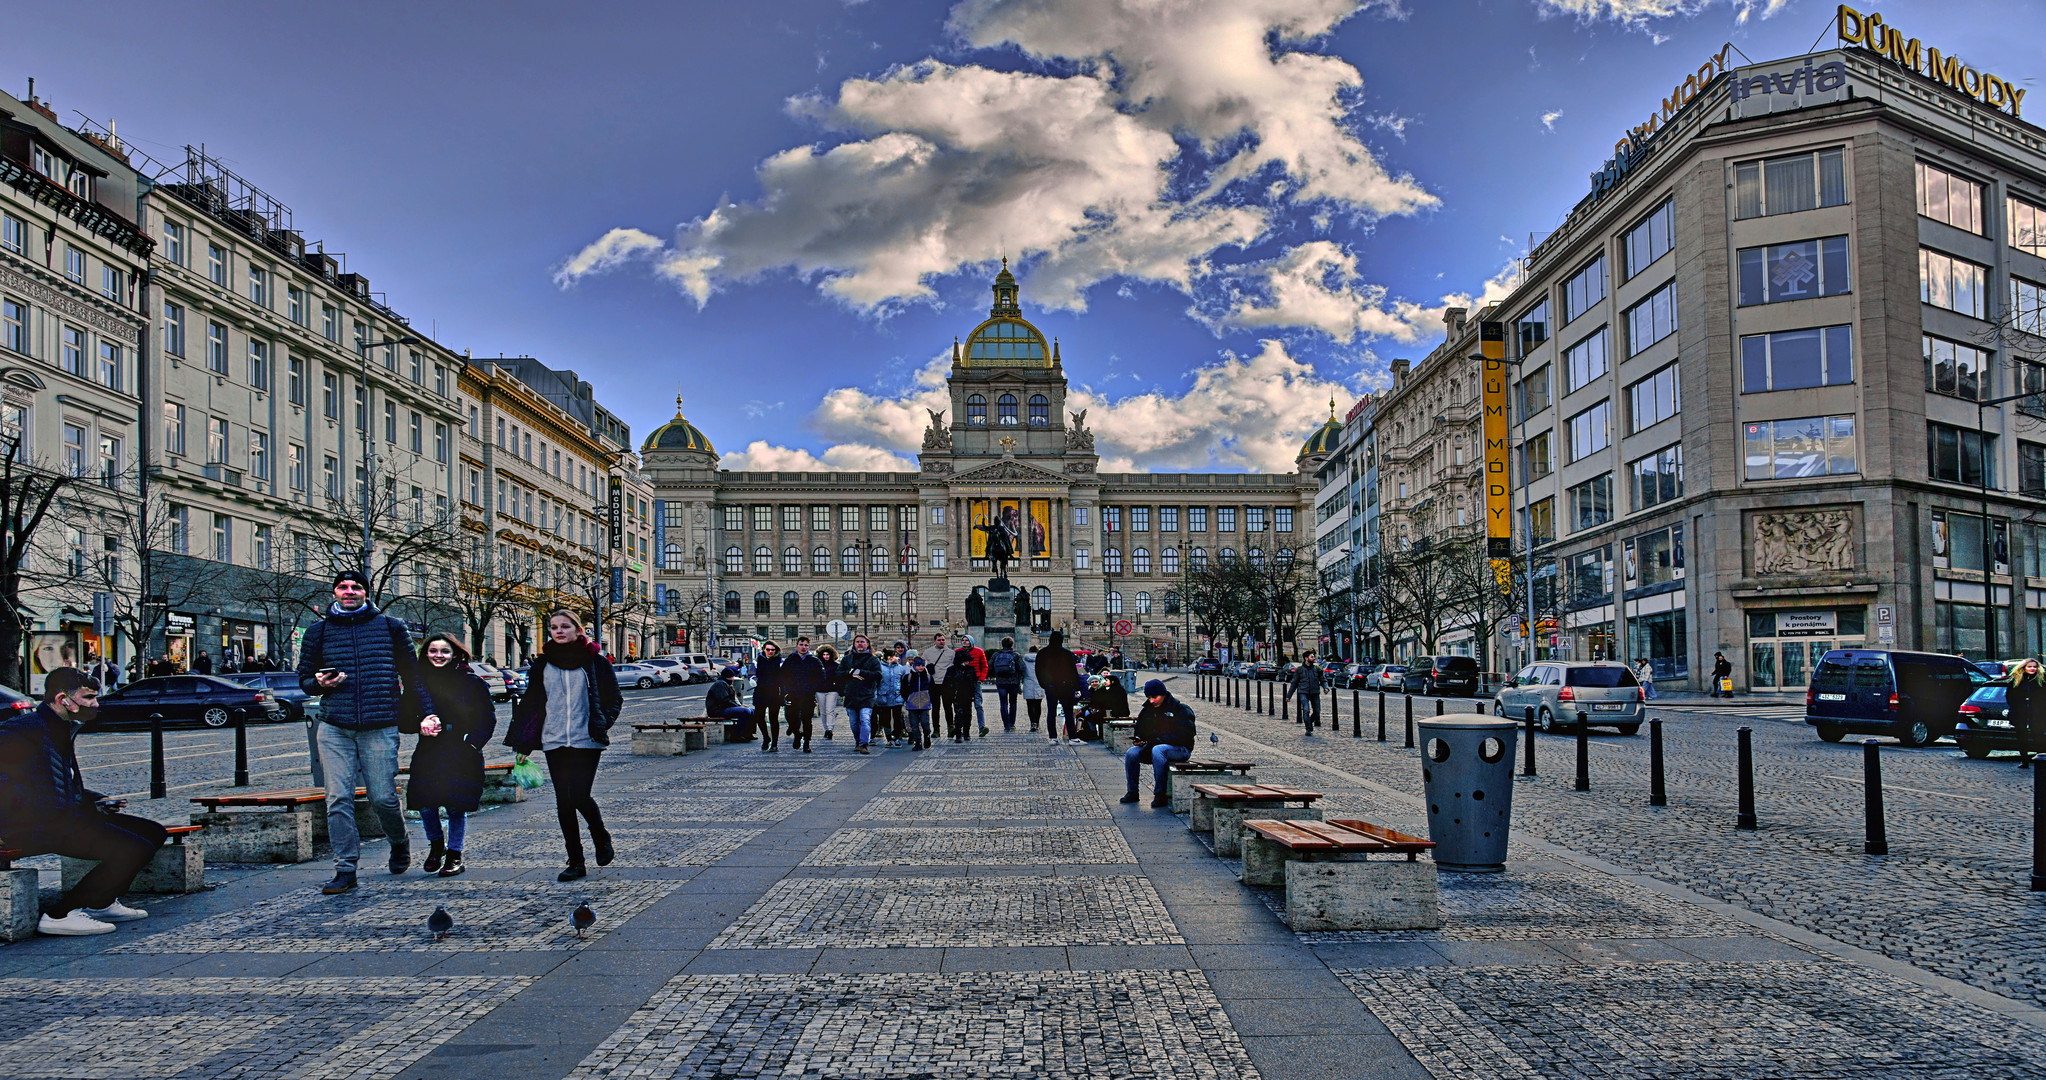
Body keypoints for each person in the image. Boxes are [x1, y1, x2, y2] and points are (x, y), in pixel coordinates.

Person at [0, 668, 168, 935]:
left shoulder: (64, 727)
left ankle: (100, 903)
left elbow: (58, 781)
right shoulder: (22, 730)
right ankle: (60, 914)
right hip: (28, 826)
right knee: (132, 848)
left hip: (62, 817)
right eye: (88, 698)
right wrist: (39, 810)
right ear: (63, 699)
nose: (95, 704)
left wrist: (95, 800)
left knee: (154, 832)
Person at [297, 569, 416, 895]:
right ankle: (345, 869)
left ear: (366, 592)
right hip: (334, 726)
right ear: (335, 592)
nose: (349, 591)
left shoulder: (392, 628)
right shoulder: (317, 632)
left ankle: (399, 841)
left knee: (383, 798)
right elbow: (304, 679)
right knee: (337, 799)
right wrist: (319, 684)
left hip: (379, 727)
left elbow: (414, 675)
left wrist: (424, 713)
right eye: (342, 587)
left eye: (355, 587)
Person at [507, 610, 622, 882]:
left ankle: (600, 835)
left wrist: (602, 722)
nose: (558, 631)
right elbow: (532, 706)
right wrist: (524, 744)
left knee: (580, 795)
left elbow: (614, 698)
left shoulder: (595, 661)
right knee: (563, 802)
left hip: (587, 740)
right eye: (554, 627)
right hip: (554, 740)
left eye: (565, 626)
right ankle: (576, 860)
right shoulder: (543, 664)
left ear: (578, 630)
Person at [402, 634, 495, 878]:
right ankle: (436, 846)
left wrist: (472, 743)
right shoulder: (418, 683)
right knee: (425, 802)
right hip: (429, 749)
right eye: (433, 651)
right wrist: (418, 723)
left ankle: (455, 854)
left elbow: (487, 717)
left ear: (455, 653)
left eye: (444, 651)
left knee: (456, 804)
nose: (438, 656)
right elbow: (403, 717)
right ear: (426, 653)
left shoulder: (470, 682)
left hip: (460, 750)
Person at [1122, 679, 1196, 808]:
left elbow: (1185, 735)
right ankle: (1132, 792)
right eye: (1149, 697)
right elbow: (1140, 727)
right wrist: (1140, 738)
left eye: (1155, 697)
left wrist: (1158, 740)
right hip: (1153, 745)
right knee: (1131, 753)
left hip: (1180, 748)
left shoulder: (1180, 709)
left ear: (1163, 694)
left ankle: (1160, 794)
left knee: (1158, 750)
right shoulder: (1148, 709)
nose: (1152, 701)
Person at [780, 637, 826, 753]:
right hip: (793, 694)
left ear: (809, 647)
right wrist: (787, 690)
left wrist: (812, 689)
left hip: (807, 694)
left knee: (807, 720)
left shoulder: (814, 661)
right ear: (797, 646)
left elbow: (821, 677)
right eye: (801, 644)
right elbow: (783, 676)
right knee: (791, 717)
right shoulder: (790, 660)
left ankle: (807, 742)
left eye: (806, 645)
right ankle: (797, 734)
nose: (803, 647)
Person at [1037, 630, 1083, 744]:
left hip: (1050, 686)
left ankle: (1053, 737)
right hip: (1065, 686)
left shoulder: (1042, 653)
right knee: (1068, 712)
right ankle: (1073, 737)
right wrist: (1077, 687)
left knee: (1051, 712)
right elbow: (1073, 671)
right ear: (1061, 640)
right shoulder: (1067, 653)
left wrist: (1043, 683)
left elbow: (1038, 670)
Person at [838, 635, 882, 754]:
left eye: (862, 642)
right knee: (853, 722)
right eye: (857, 642)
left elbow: (878, 675)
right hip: (851, 694)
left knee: (865, 719)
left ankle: (864, 744)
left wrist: (860, 672)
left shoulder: (873, 660)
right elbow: (838, 673)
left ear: (868, 644)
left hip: (866, 695)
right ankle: (858, 741)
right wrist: (850, 672)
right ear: (854, 644)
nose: (860, 644)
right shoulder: (847, 659)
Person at [2009, 659, 2045, 769]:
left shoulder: (2042, 680)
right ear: (2024, 667)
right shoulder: (2016, 680)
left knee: (2038, 735)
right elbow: (2010, 696)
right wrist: (2015, 708)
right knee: (2021, 737)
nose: (2032, 668)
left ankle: (2041, 760)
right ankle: (2024, 761)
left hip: (2038, 712)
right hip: (2020, 712)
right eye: (2029, 666)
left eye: (2034, 666)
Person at [706, 667, 756, 741]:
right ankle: (738, 735)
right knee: (745, 712)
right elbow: (724, 700)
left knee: (753, 711)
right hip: (718, 710)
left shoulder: (724, 683)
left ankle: (748, 733)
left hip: (723, 708)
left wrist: (739, 706)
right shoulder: (720, 684)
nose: (732, 680)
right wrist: (738, 706)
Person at [944, 644, 981, 742]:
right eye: (966, 661)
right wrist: (952, 693)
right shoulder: (952, 670)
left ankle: (966, 733)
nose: (967, 663)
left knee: (968, 715)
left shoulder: (970, 669)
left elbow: (974, 682)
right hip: (957, 696)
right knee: (959, 715)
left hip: (968, 696)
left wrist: (972, 693)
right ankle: (958, 734)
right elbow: (947, 683)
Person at [921, 634, 955, 736]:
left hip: (946, 683)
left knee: (948, 706)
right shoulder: (927, 652)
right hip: (934, 683)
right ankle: (936, 730)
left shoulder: (951, 653)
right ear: (935, 641)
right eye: (939, 640)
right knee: (935, 707)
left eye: (943, 640)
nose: (942, 642)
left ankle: (950, 728)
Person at [989, 636, 1025, 731]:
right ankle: (1012, 723)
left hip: (1001, 682)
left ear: (1002, 645)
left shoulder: (996, 655)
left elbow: (989, 668)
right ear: (1012, 645)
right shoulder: (1016, 655)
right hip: (1013, 682)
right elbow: (1022, 669)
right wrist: (1020, 678)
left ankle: (1006, 725)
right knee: (1013, 703)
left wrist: (996, 674)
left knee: (1003, 704)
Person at [753, 641, 784, 752]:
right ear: (763, 649)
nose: (770, 652)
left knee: (773, 718)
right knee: (759, 716)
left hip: (774, 692)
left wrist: (783, 690)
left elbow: (784, 677)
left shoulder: (780, 661)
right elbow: (751, 673)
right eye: (768, 649)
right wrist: (753, 679)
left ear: (776, 650)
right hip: (760, 691)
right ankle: (766, 737)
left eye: (772, 650)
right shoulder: (757, 660)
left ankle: (774, 743)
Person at [875, 647, 908, 748]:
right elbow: (876, 683)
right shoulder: (880, 668)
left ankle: (897, 737)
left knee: (897, 718)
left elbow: (904, 684)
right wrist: (876, 696)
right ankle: (889, 738)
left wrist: (903, 696)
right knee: (886, 719)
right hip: (883, 697)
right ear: (889, 657)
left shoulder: (900, 668)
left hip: (897, 697)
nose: (898, 658)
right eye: (896, 656)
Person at [901, 656, 935, 750]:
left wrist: (930, 699)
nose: (921, 667)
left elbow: (932, 689)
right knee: (914, 725)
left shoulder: (928, 676)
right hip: (912, 704)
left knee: (925, 723)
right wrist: (907, 698)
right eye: (918, 665)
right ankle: (918, 742)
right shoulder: (908, 677)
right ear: (914, 666)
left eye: (922, 665)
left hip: (925, 704)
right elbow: (903, 690)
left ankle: (927, 737)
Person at [1291, 651, 1325, 734]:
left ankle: (1309, 722)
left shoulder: (1317, 669)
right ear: (1306, 658)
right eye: (1312, 657)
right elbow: (1294, 683)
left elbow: (1323, 680)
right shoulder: (1300, 669)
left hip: (1314, 692)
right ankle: (1308, 728)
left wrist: (1326, 687)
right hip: (1303, 692)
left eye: (1313, 657)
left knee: (1317, 711)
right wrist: (1289, 696)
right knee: (1306, 710)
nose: (1314, 658)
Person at [815, 644, 842, 742]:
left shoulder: (836, 666)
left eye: (828, 654)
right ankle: (826, 729)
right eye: (824, 654)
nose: (826, 656)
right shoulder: (817, 665)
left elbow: (839, 678)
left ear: (831, 655)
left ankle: (830, 729)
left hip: (832, 690)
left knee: (829, 710)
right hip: (820, 690)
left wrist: (839, 689)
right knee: (823, 711)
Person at [964, 636, 990, 736]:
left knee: (978, 705)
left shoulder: (979, 651)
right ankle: (965, 729)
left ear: (971, 641)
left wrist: (981, 678)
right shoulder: (958, 651)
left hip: (976, 681)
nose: (964, 642)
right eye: (963, 640)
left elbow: (984, 666)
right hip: (964, 682)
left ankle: (982, 727)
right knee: (966, 706)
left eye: (966, 640)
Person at [1020, 646, 1046, 732]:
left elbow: (1022, 671)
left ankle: (1033, 723)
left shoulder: (1024, 660)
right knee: (1038, 704)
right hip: (1039, 683)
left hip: (1028, 683)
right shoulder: (1042, 660)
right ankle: (1037, 723)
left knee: (1030, 705)